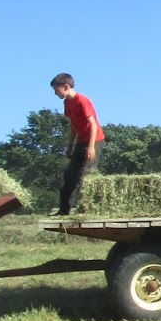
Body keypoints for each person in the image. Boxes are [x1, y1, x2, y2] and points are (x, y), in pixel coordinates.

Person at [51, 73, 105, 215]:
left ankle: (87, 209)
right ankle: (64, 211)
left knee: (85, 176)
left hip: (95, 140)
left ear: (66, 87)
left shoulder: (82, 100)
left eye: (57, 90)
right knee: (70, 175)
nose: (55, 93)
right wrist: (69, 147)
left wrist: (91, 147)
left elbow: (93, 124)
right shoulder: (67, 103)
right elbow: (73, 126)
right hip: (81, 142)